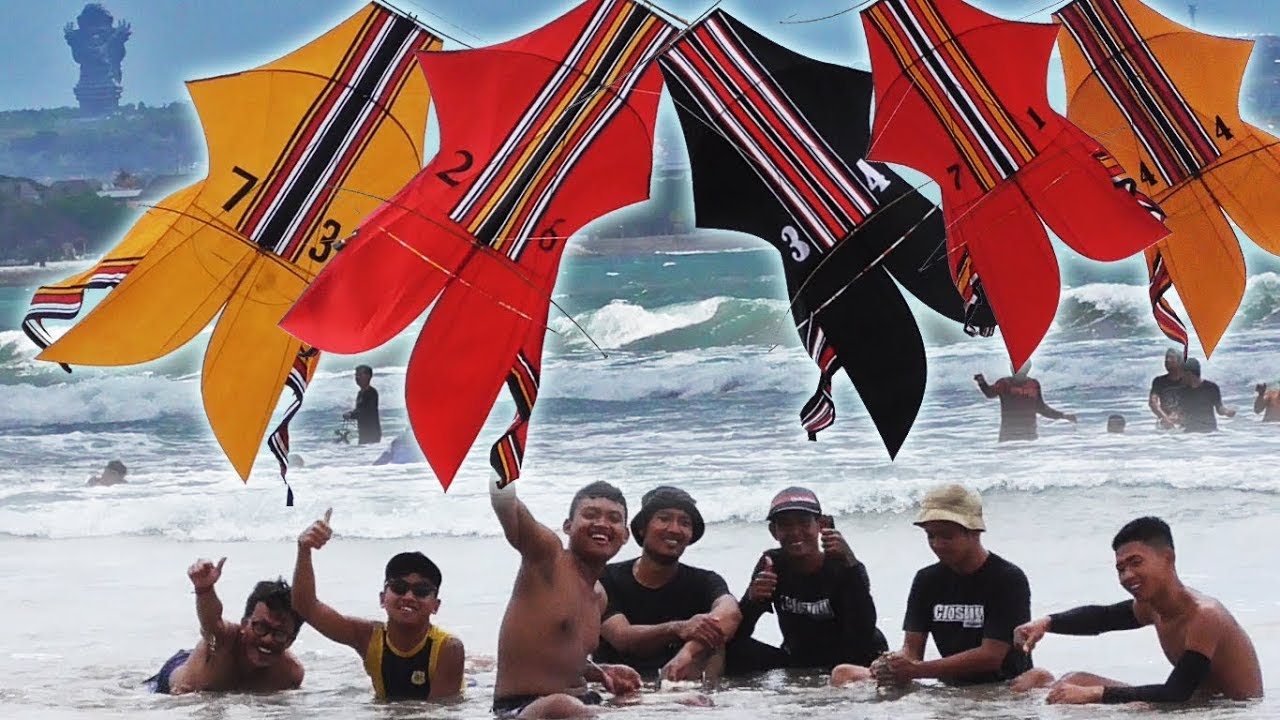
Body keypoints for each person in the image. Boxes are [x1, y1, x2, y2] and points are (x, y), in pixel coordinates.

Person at [1013, 517, 1263, 704]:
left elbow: (1176, 692)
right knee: (1074, 679)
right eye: (1121, 569)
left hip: (1234, 711)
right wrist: (1046, 623)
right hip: (1198, 703)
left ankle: (1045, 684)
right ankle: (1044, 685)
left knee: (1087, 691)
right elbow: (1103, 618)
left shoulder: (1204, 616)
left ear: (1168, 558)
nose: (1127, 575)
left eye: (1136, 562)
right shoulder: (1152, 607)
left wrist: (1095, 694)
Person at [490, 479, 642, 718]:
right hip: (522, 708)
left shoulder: (599, 596)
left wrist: (601, 672)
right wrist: (502, 466)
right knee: (562, 706)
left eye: (613, 519)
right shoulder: (547, 558)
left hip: (581, 702)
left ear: (625, 535)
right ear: (568, 526)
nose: (602, 524)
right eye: (590, 515)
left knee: (691, 699)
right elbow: (505, 503)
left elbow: (560, 657)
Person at [292, 509, 464, 701]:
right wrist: (304, 549)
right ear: (382, 598)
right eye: (399, 587)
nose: (409, 597)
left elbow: (439, 711)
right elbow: (305, 607)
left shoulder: (448, 648)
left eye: (421, 591)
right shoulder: (367, 638)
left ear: (435, 606)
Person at [871, 484, 1032, 689]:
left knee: (1040, 677)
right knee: (846, 672)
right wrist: (892, 664)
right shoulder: (926, 580)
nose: (937, 544)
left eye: (947, 536)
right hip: (950, 686)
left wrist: (917, 670)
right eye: (930, 536)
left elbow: (991, 657)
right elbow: (912, 651)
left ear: (975, 532)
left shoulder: (1007, 579)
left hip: (1005, 685)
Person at [730, 487, 888, 683]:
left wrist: (851, 567)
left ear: (820, 525)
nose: (796, 532)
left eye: (804, 523)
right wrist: (752, 599)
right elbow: (740, 632)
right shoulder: (772, 564)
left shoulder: (843, 565)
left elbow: (863, 631)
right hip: (799, 660)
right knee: (730, 648)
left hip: (852, 660)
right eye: (785, 525)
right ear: (774, 531)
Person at [595, 486, 741, 684]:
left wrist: (688, 652)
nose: (674, 529)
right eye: (664, 518)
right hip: (618, 687)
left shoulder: (704, 581)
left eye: (685, 523)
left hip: (682, 690)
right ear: (642, 528)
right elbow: (622, 637)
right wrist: (679, 628)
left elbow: (731, 614)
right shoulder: (605, 577)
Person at [145, 558, 304, 694]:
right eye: (261, 628)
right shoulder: (225, 638)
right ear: (244, 624)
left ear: (291, 641)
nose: (268, 639)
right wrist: (205, 590)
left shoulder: (290, 674)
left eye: (280, 634)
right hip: (173, 678)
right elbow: (211, 623)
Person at [974, 362, 1077, 441]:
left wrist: (1063, 416)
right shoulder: (1009, 384)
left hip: (1016, 436)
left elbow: (1041, 408)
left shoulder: (1009, 383)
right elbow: (1041, 408)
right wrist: (981, 382)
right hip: (1021, 436)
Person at [1177, 358, 1234, 433]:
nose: (1179, 377)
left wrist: (1227, 411)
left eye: (1181, 374)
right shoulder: (1182, 391)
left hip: (1209, 432)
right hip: (1189, 434)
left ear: (1189, 374)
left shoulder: (1211, 387)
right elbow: (1179, 412)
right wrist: (1172, 418)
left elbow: (1219, 408)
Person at [343, 365, 381, 445]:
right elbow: (359, 410)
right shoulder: (360, 393)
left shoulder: (372, 393)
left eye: (360, 375)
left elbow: (366, 412)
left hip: (372, 433)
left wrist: (351, 415)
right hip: (364, 432)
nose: (357, 378)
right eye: (356, 375)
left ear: (368, 376)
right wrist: (350, 413)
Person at [1149, 348, 1185, 428]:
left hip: (1186, 422)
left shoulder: (1189, 380)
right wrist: (1164, 417)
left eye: (1171, 358)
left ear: (1180, 362)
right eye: (1166, 358)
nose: (1167, 360)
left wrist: (1180, 415)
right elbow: (1153, 402)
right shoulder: (1159, 381)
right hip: (1165, 423)